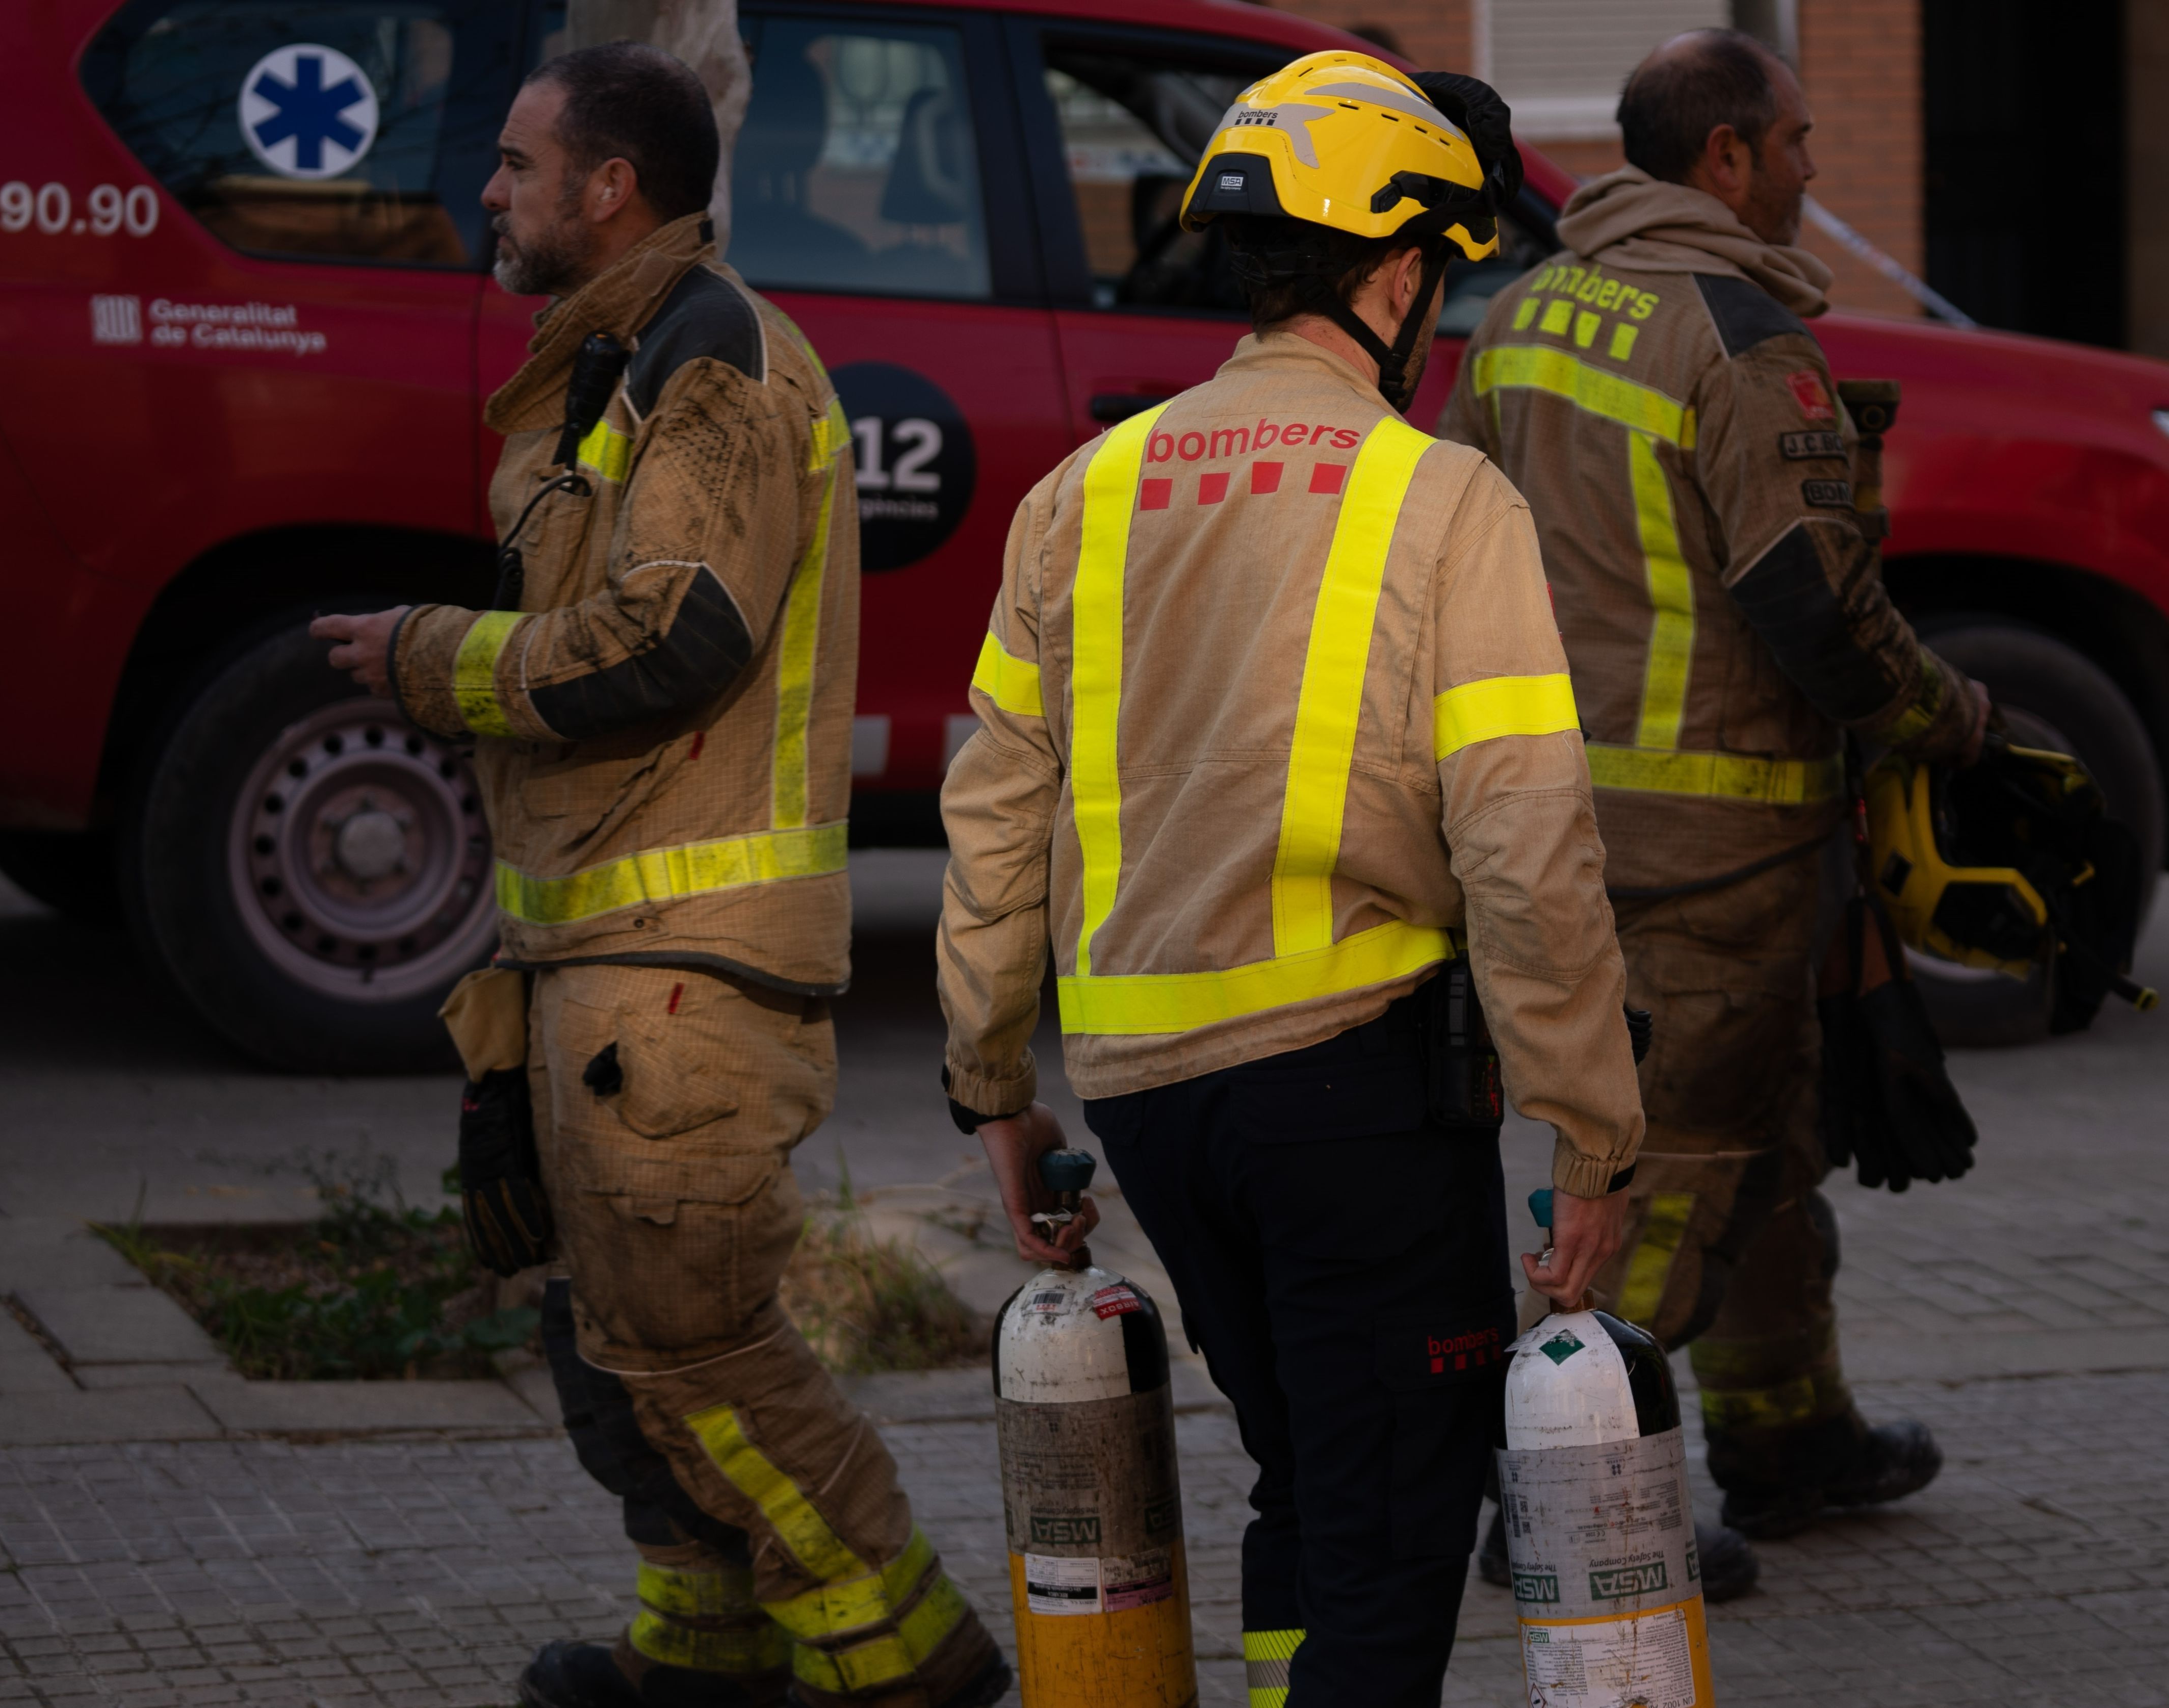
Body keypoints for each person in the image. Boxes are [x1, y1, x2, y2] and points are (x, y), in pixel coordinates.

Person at [932, 52, 1643, 1708]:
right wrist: (1594, 1128)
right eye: (1438, 279)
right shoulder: (1439, 497)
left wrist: (993, 1092)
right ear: (1396, 272)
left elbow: (995, 817)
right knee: (1395, 1537)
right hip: (1353, 1095)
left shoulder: (1080, 496)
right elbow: (1527, 840)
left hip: (1149, 1106)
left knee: (1307, 1485)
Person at [314, 43, 1011, 1708]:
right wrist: (500, 1012)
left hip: (687, 968)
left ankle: (899, 1659)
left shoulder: (713, 370)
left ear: (609, 186)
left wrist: (433, 656)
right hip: (595, 955)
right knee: (599, 1343)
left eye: (514, 162)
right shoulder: (618, 366)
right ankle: (704, 1645)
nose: (488, 189)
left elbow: (674, 633)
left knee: (691, 1345)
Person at [1438, 28, 1986, 1547]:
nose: (1817, 171)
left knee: (1765, 1139)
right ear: (1725, 155)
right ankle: (1549, 1489)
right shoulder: (1742, 339)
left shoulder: (1524, 315)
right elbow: (1810, 603)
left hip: (1554, 825)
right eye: (1799, 142)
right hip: (1713, 835)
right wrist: (1955, 717)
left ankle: (1787, 1433)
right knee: (1669, 1171)